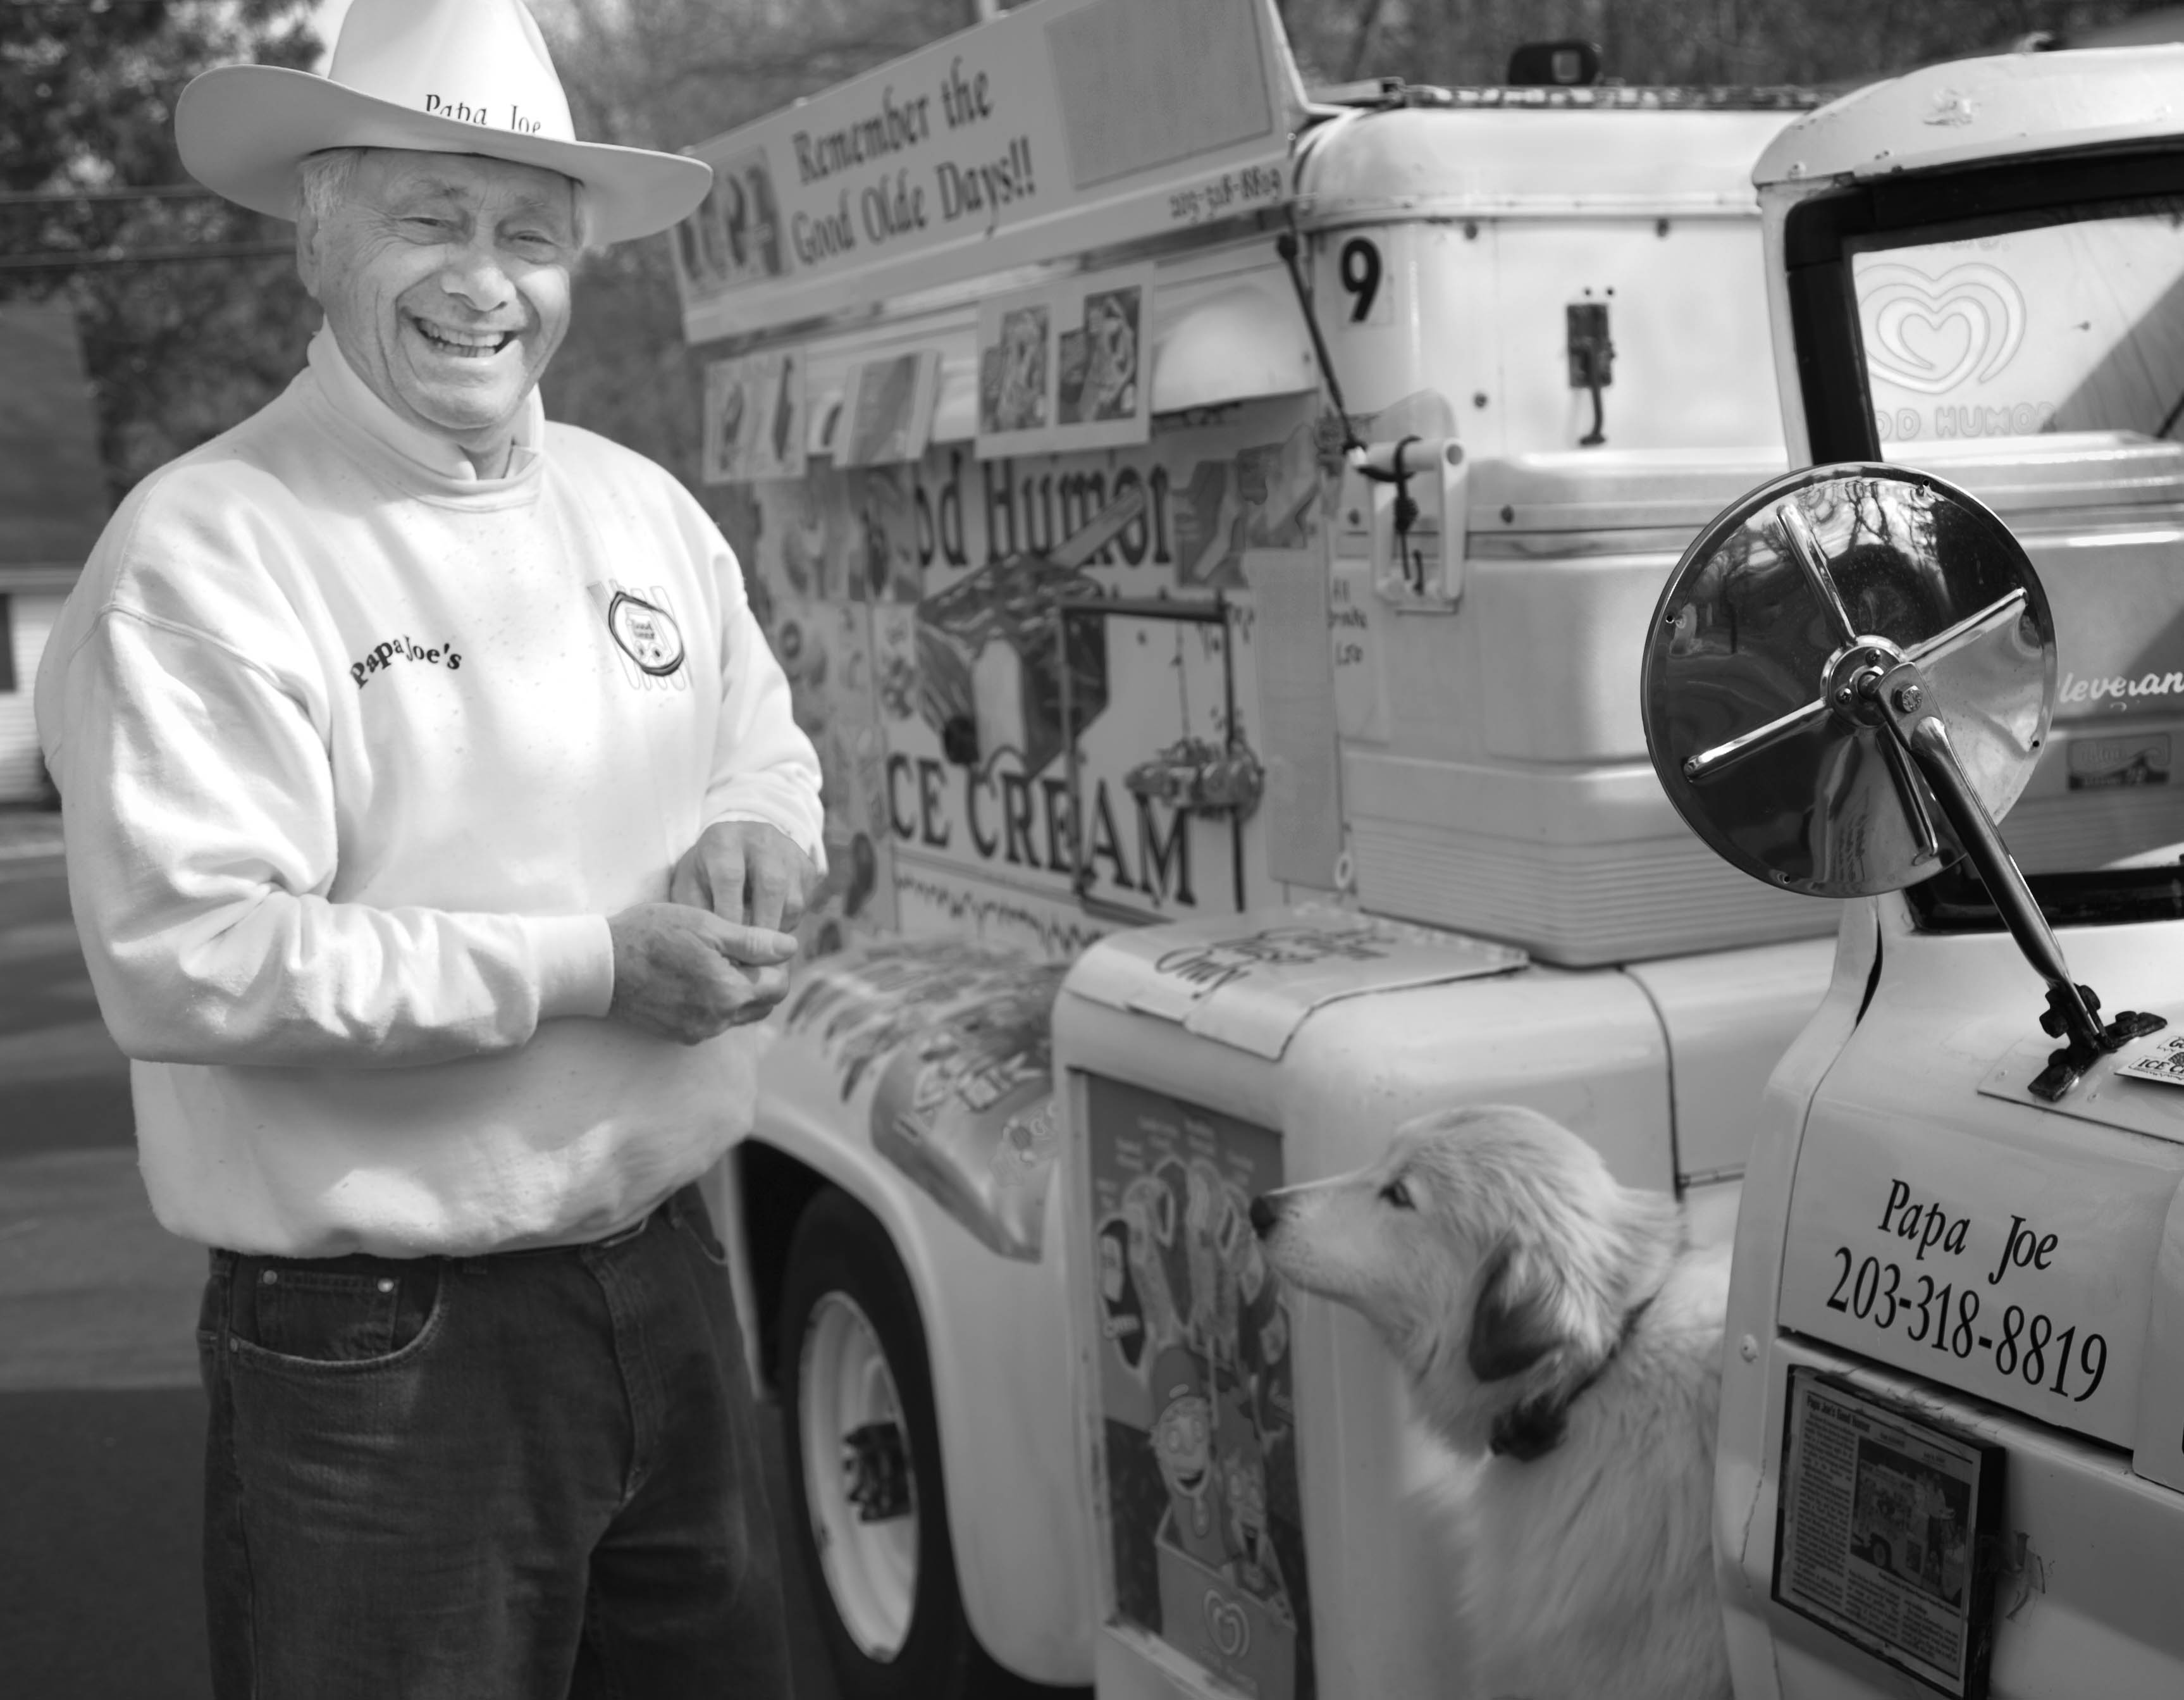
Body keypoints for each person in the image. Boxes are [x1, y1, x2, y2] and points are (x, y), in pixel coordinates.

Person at [34, 1, 821, 1694]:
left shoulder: (641, 508)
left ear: (576, 268)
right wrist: (595, 964)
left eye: (528, 234)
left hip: (673, 1272)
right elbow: (194, 959)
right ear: (320, 245)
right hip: (382, 1348)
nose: (486, 281)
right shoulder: (207, 553)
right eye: (429, 222)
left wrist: (762, 820)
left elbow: (761, 732)